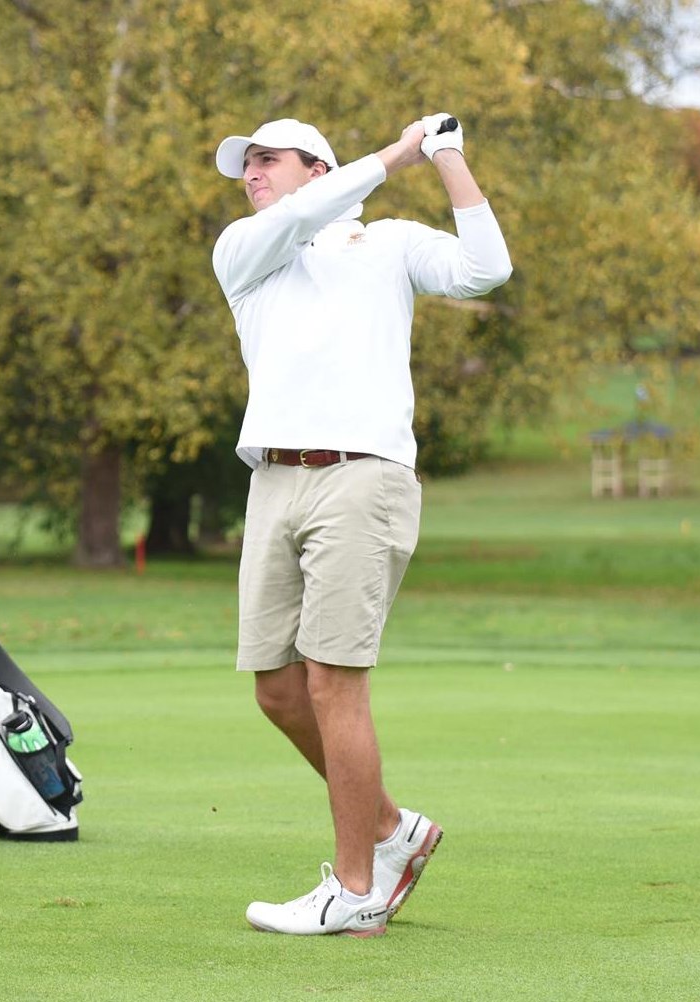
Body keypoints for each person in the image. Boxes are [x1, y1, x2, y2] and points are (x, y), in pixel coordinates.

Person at [210, 114, 512, 937]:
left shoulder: (390, 245)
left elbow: (488, 268)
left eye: (267, 160)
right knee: (277, 690)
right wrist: (395, 153)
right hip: (273, 479)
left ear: (318, 165)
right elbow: (301, 217)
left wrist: (444, 156)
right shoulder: (248, 247)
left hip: (362, 473)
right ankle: (389, 830)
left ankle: (355, 890)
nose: (250, 174)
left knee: (332, 682)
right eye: (246, 165)